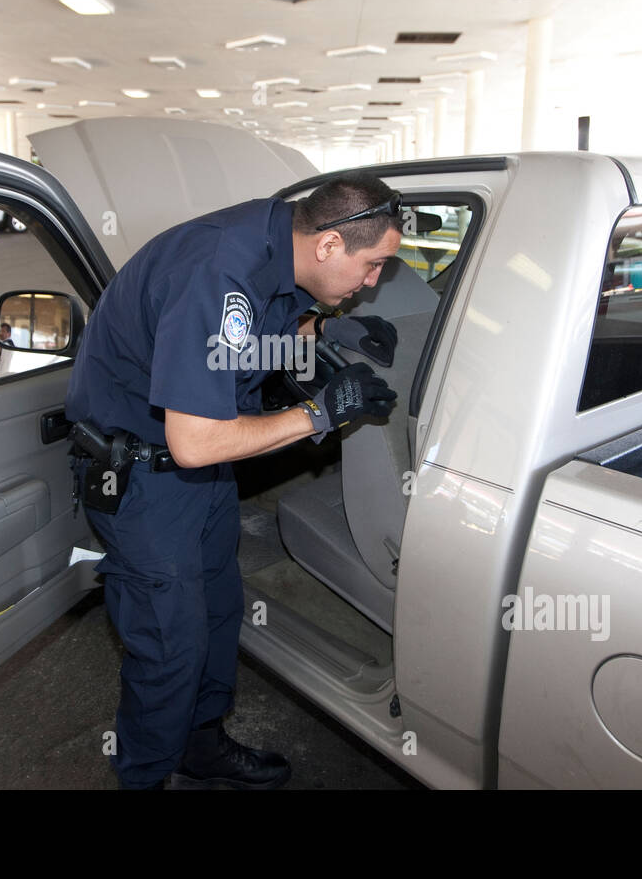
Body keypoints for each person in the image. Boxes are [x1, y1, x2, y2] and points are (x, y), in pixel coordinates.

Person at [65, 173, 403, 789]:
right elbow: (193, 442)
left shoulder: (279, 239)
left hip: (203, 474)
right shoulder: (217, 273)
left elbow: (243, 346)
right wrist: (318, 414)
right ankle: (144, 776)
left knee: (218, 616)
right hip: (146, 480)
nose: (373, 282)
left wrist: (324, 334)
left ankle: (200, 744)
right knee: (171, 648)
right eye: (374, 264)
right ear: (329, 246)